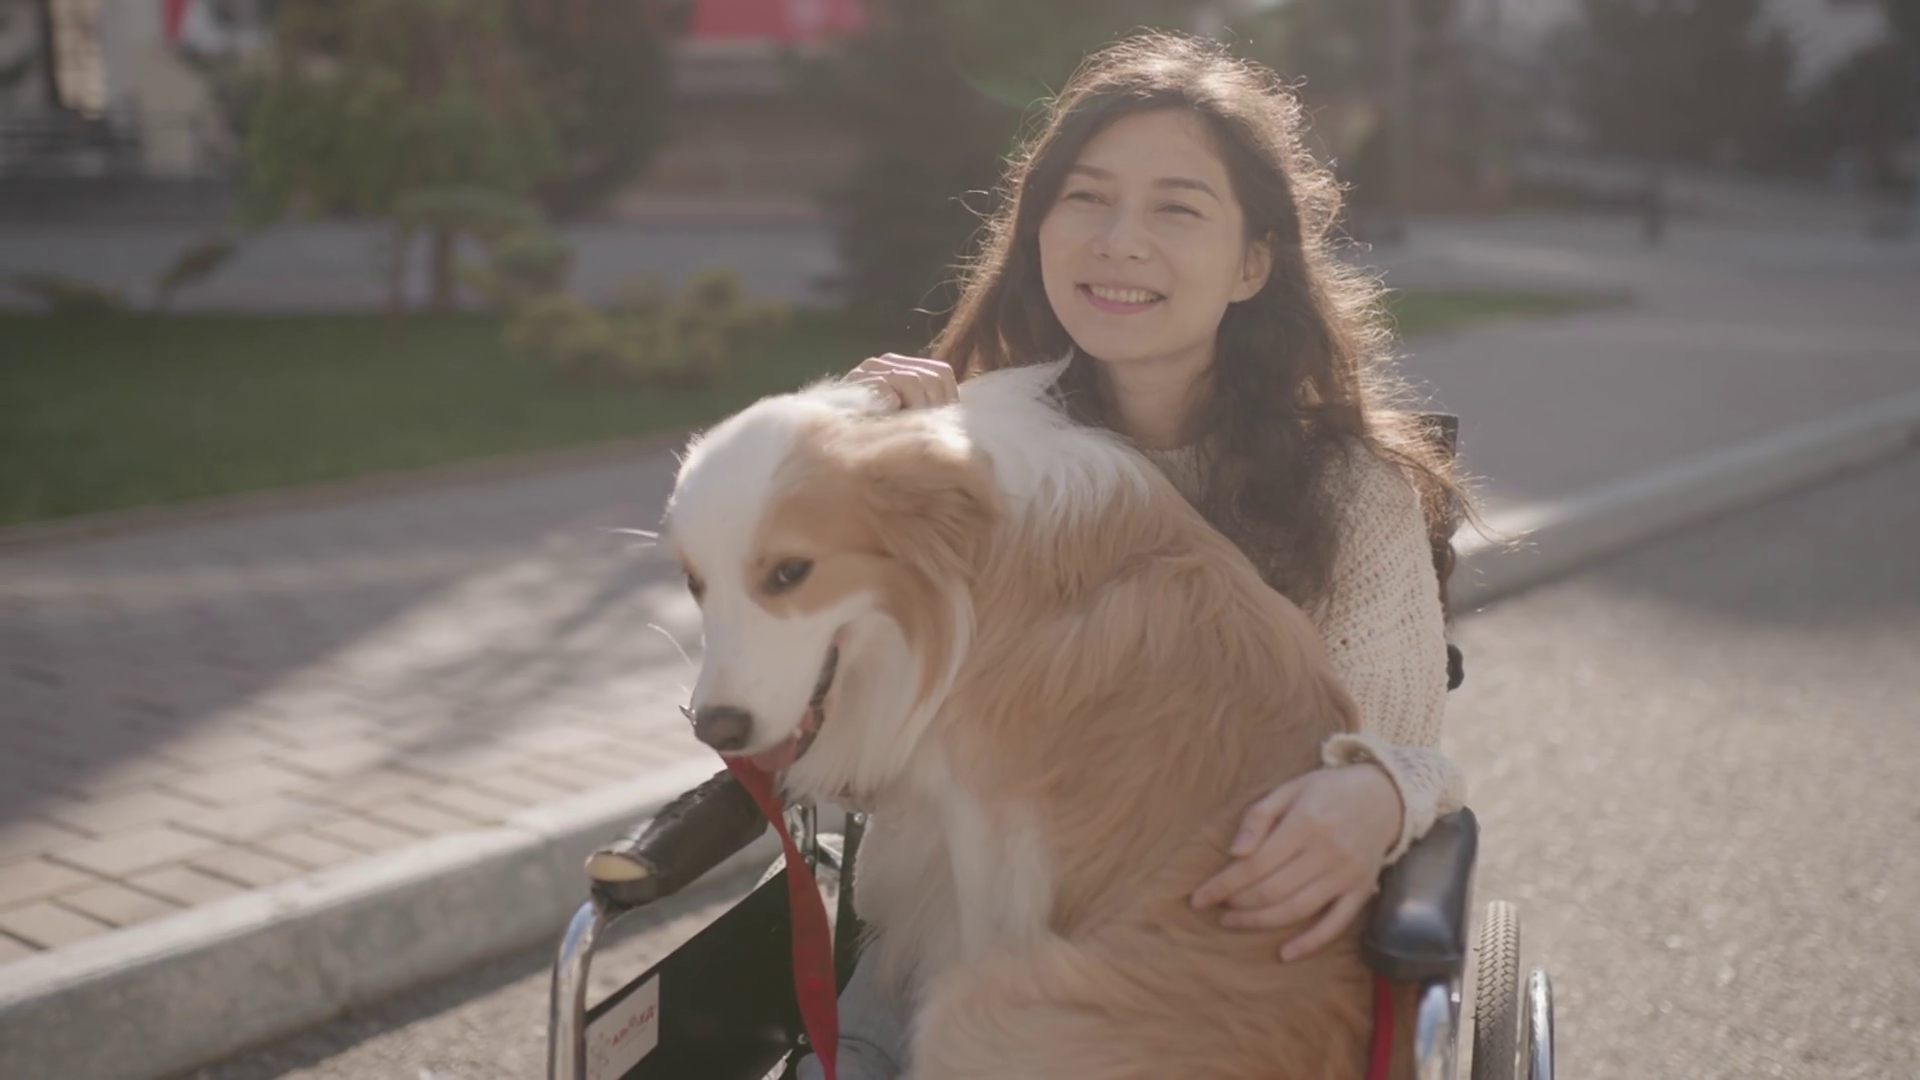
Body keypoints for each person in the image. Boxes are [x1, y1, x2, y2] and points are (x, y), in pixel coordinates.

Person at [801, 30, 1470, 1079]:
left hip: (1195, 968)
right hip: (945, 952)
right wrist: (852, 484)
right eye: (1086, 198)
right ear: (1037, 233)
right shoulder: (962, 460)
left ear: (1254, 262)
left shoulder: (1351, 493)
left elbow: (1410, 744)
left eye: (1177, 207)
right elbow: (835, 759)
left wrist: (1380, 792)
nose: (1120, 240)